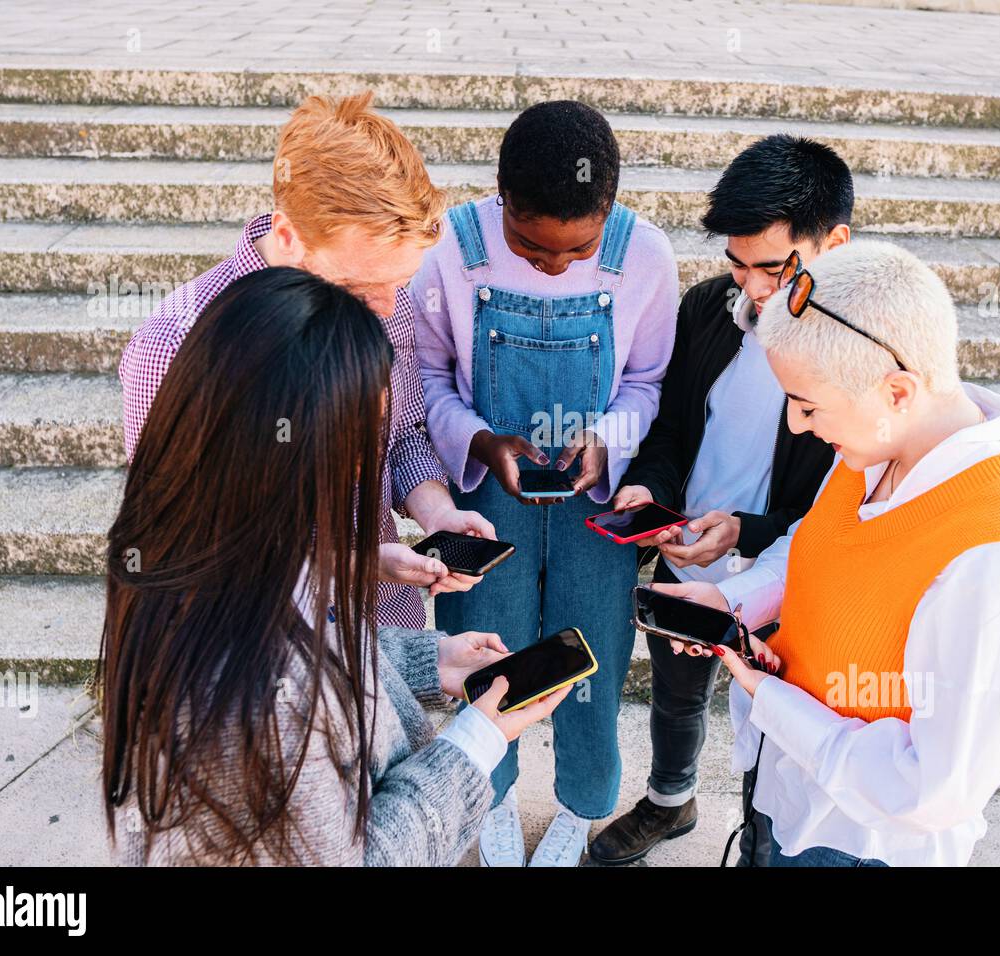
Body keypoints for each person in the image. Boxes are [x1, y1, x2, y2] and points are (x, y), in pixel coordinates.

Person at [100, 267, 568, 866]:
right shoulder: (253, 692)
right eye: (358, 441)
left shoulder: (213, 555)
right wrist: (476, 741)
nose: (362, 468)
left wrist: (428, 663)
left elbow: (316, 652)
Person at [658, 240, 1000, 867]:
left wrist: (774, 700)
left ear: (897, 390)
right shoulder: (871, 447)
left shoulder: (992, 558)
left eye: (807, 405)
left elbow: (932, 788)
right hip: (787, 788)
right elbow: (813, 546)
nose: (794, 426)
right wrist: (730, 601)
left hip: (860, 841)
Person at [410, 101, 679, 866]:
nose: (556, 265)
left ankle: (579, 808)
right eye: (530, 248)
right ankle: (486, 797)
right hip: (487, 499)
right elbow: (429, 376)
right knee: (487, 654)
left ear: (610, 211)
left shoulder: (646, 256)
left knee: (591, 652)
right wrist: (479, 440)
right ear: (501, 197)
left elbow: (648, 380)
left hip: (595, 507)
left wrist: (609, 440)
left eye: (576, 249)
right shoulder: (451, 252)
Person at [119, 91, 492, 630]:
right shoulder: (175, 345)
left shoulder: (386, 297)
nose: (386, 309)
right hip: (254, 647)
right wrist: (357, 565)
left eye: (401, 283)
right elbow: (184, 547)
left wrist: (438, 513)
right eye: (360, 289)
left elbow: (405, 430)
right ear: (288, 236)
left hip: (382, 620)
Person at [590, 136, 850, 865]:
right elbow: (671, 431)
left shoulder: (853, 348)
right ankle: (670, 802)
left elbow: (842, 507)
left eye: (772, 267)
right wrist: (650, 491)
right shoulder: (710, 309)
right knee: (675, 695)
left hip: (790, 578)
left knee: (772, 723)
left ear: (834, 243)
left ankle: (761, 837)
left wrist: (746, 531)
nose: (753, 287)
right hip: (686, 550)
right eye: (738, 264)